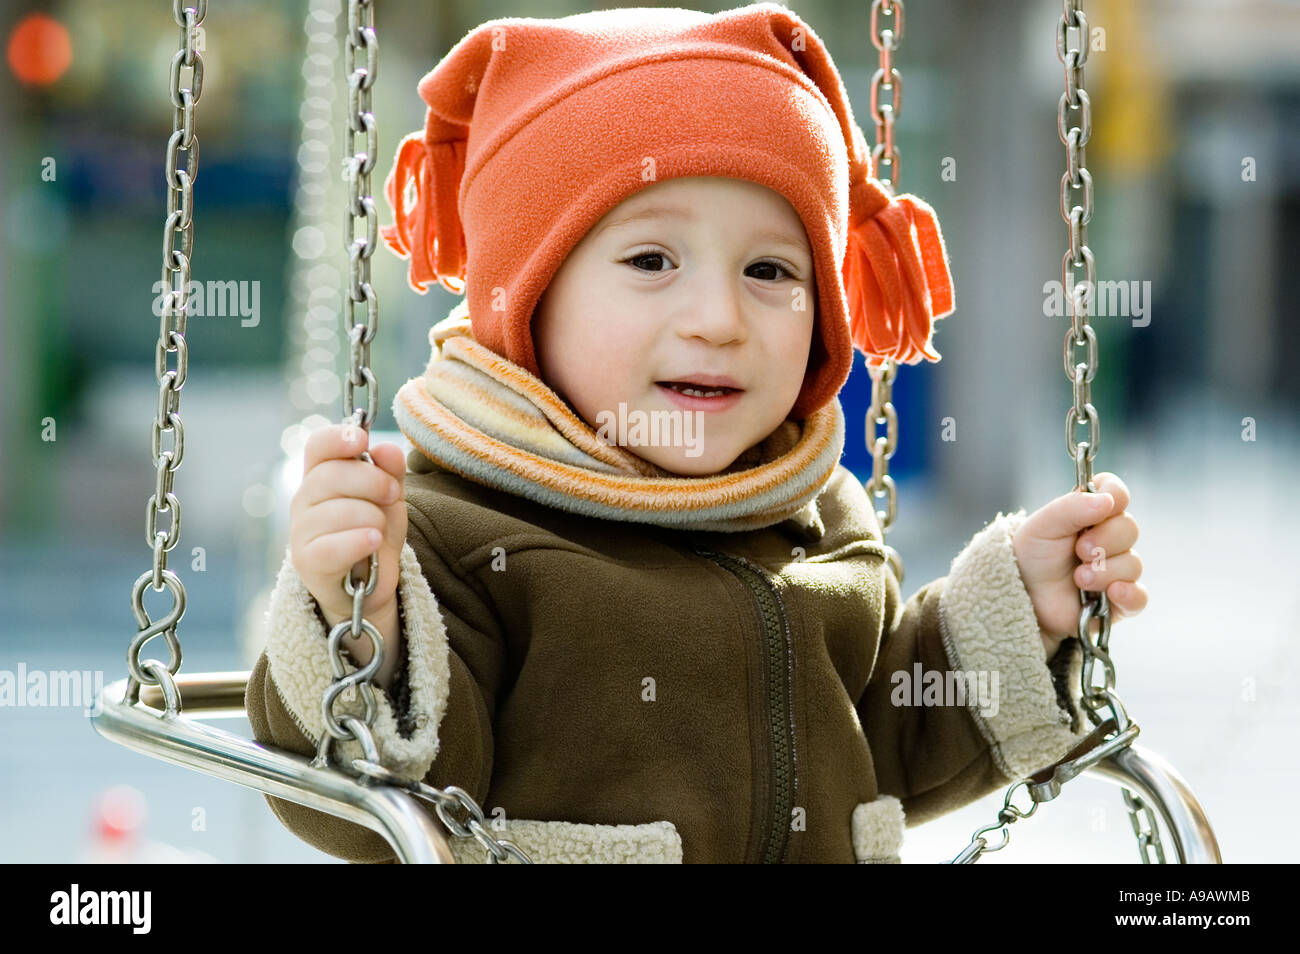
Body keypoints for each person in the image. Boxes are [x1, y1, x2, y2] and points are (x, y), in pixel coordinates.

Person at [245, 2, 1146, 864]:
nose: (718, 318)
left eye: (769, 269)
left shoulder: (813, 517)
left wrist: (1018, 615)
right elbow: (384, 803)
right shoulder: (455, 533)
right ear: (526, 295)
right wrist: (361, 619)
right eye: (650, 260)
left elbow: (880, 743)